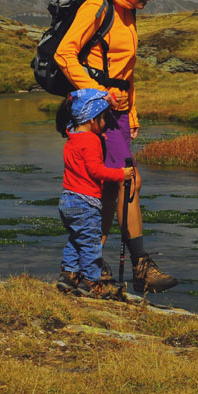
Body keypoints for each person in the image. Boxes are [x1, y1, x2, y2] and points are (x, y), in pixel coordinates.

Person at [53, 0, 178, 293]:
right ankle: (139, 266)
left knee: (111, 187)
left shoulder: (127, 12)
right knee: (128, 181)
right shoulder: (98, 5)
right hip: (98, 113)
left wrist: (131, 110)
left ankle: (82, 267)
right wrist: (96, 97)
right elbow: (64, 53)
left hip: (117, 112)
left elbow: (126, 69)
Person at [54, 88, 135, 298]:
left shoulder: (72, 136)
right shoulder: (91, 140)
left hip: (67, 200)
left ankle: (69, 275)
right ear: (92, 120)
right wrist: (121, 174)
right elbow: (95, 170)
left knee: (76, 238)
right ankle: (91, 282)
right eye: (103, 118)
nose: (106, 122)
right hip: (85, 202)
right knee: (91, 244)